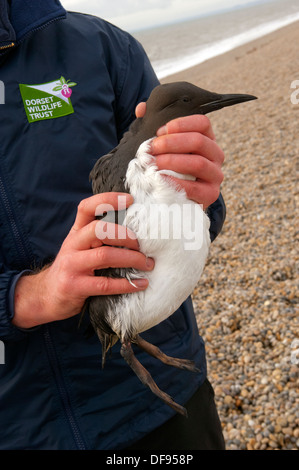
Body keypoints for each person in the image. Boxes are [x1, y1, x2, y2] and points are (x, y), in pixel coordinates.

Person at [0, 0, 226, 450]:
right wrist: (25, 296)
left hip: (164, 396)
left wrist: (200, 188)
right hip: (23, 428)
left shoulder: (99, 48)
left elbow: (206, 210)